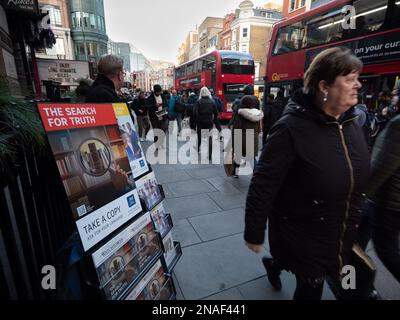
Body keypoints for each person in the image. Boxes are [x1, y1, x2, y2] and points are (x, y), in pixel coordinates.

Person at [244, 47, 370, 300]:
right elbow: (263, 184)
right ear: (324, 87)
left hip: (343, 229)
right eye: (349, 79)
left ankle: (275, 263)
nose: (357, 85)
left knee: (342, 280)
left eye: (357, 77)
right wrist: (254, 232)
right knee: (311, 287)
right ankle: (279, 262)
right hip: (305, 234)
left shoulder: (353, 122)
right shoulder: (290, 129)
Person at [364, 113, 400, 284]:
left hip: (389, 202)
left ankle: (351, 285)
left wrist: (359, 196)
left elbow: (380, 168)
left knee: (387, 251)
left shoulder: (397, 125)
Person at [229, 95, 264, 178]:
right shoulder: (257, 113)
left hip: (242, 137)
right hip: (253, 137)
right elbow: (259, 129)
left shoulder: (241, 114)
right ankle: (256, 172)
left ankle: (235, 173)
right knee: (253, 157)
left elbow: (237, 128)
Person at [193, 87, 219, 161]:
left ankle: (198, 148)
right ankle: (210, 155)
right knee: (209, 138)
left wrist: (197, 120)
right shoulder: (212, 102)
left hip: (200, 122)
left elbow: (195, 113)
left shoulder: (198, 102)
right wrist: (213, 119)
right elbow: (216, 113)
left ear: (201, 93)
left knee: (199, 136)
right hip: (209, 122)